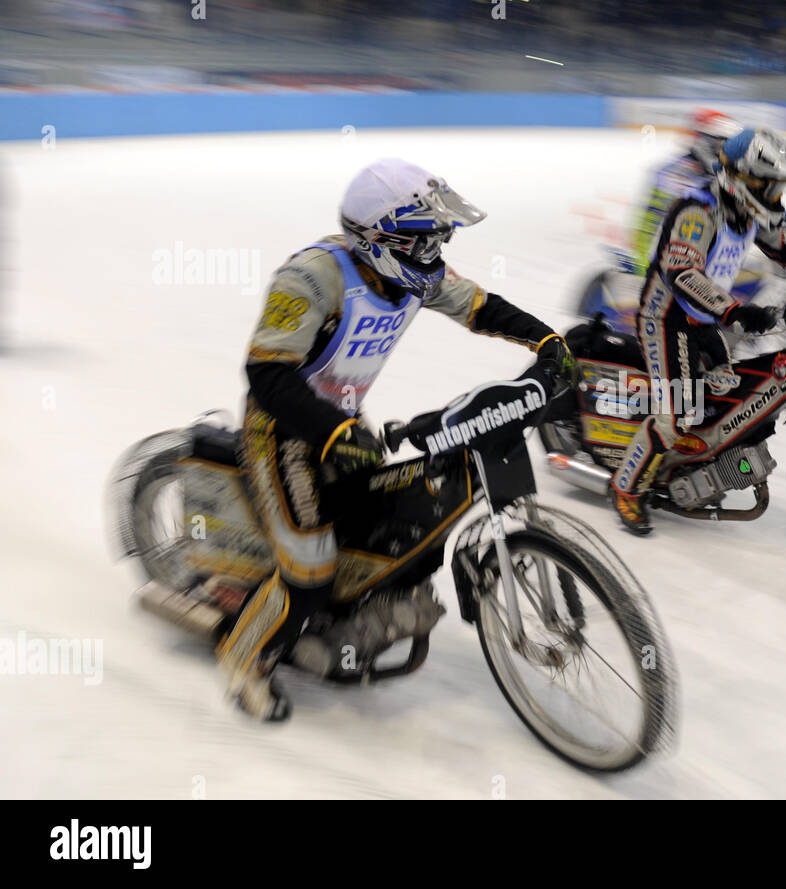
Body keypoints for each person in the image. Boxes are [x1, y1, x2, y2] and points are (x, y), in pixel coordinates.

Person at [219, 158, 573, 720]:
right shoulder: (312, 277)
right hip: (283, 435)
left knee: (383, 528)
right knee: (310, 572)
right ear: (378, 239)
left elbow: (478, 306)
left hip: (344, 424)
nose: (434, 253)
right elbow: (266, 372)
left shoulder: (413, 274)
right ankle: (245, 662)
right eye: (423, 240)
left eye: (439, 239)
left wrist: (547, 341)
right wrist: (333, 430)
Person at [608, 128, 786, 534]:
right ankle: (626, 487)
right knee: (676, 414)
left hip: (705, 319)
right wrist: (734, 310)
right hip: (667, 320)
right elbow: (682, 273)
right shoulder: (698, 212)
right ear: (744, 180)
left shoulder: (746, 210)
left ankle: (693, 466)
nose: (777, 196)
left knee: (724, 390)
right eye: (772, 186)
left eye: (780, 188)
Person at [628, 109, 741, 277]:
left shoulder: (724, 174)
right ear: (704, 141)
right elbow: (650, 223)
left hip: (711, 256)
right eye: (721, 143)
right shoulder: (674, 174)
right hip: (670, 260)